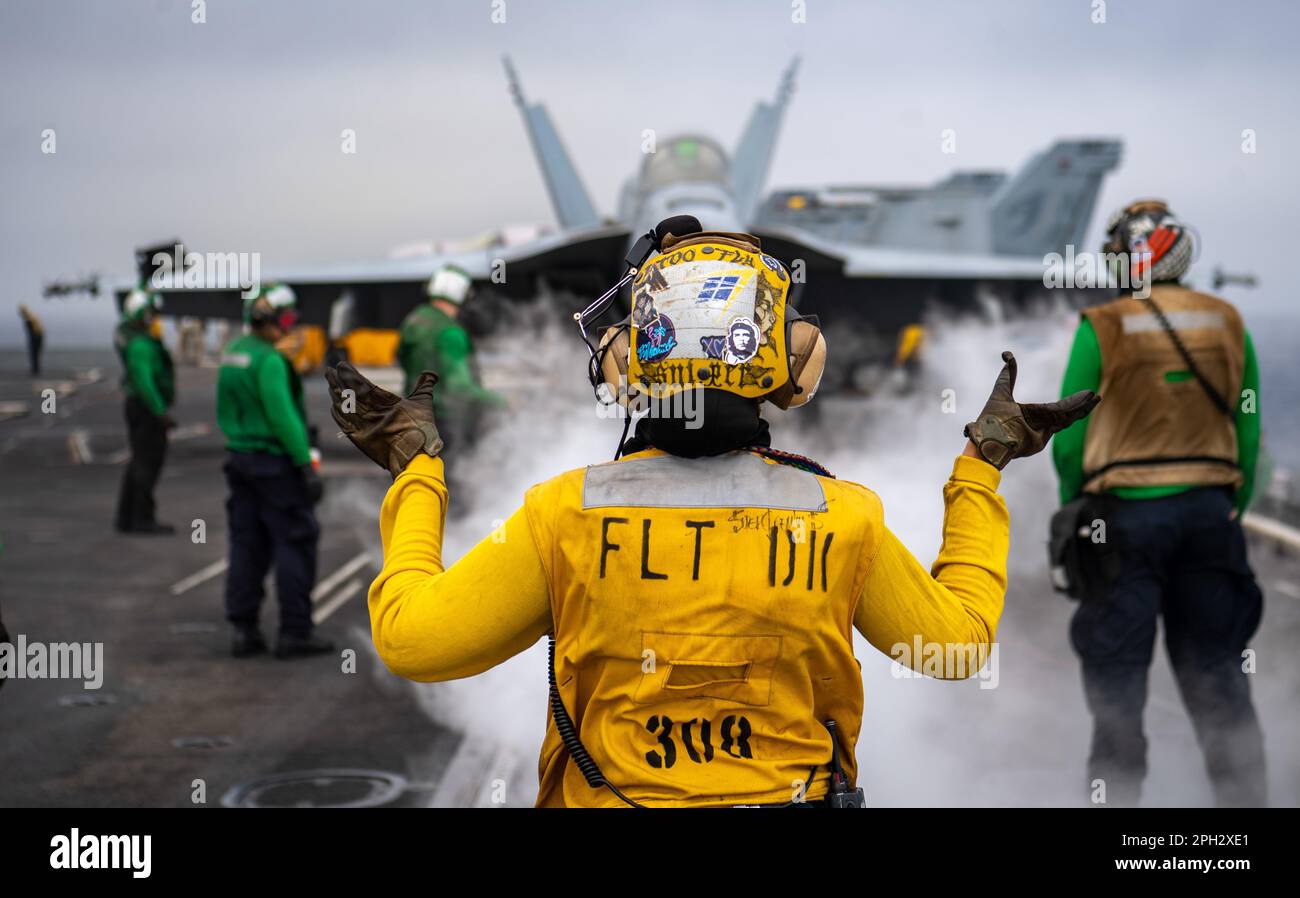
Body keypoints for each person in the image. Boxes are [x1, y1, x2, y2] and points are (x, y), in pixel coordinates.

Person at [328, 220, 1096, 807]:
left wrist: (417, 470)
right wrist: (980, 470)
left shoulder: (562, 514)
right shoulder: (842, 518)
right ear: (792, 364)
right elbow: (955, 648)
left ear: (628, 362)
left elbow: (414, 642)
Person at [1052, 199, 1266, 807]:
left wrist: (1077, 508)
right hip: (1209, 519)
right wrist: (1233, 506)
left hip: (1120, 522)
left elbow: (1069, 435)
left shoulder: (1103, 325)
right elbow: (1249, 431)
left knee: (1117, 687)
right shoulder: (1228, 320)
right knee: (1220, 681)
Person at [216, 283, 332, 660]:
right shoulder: (269, 362)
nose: (291, 325)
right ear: (276, 319)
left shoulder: (234, 354)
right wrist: (305, 463)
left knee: (247, 545)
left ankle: (242, 629)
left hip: (240, 459)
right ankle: (295, 632)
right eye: (287, 318)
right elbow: (282, 417)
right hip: (275, 465)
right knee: (295, 542)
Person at [396, 265, 503, 456]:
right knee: (452, 481)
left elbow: (401, 358)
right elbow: (460, 389)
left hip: (412, 422)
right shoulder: (450, 334)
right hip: (446, 426)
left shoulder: (414, 321)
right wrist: (503, 402)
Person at [113, 289, 176, 535]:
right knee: (147, 464)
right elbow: (144, 381)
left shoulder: (132, 337)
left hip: (140, 407)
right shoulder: (140, 346)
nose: (154, 317)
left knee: (138, 462)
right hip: (146, 410)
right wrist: (160, 412)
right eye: (150, 313)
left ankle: (125, 517)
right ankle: (142, 518)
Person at [18, 305, 43, 376]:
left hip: (36, 337)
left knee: (34, 353)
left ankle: (35, 370)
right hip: (38, 336)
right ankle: (35, 370)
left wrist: (32, 340)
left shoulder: (29, 318)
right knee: (35, 354)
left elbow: (32, 331)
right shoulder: (31, 316)